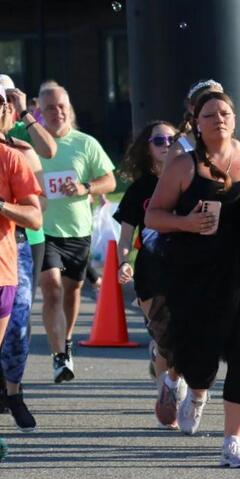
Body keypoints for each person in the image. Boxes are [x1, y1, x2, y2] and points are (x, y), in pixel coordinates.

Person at [145, 91, 240, 467]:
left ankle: (232, 442)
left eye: (224, 113)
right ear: (197, 125)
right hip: (194, 276)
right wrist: (186, 223)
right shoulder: (184, 166)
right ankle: (197, 390)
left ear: (234, 120)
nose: (218, 119)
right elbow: (154, 216)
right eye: (209, 114)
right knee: (200, 358)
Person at [37, 85, 116, 383]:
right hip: (43, 230)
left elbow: (109, 180)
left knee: (72, 291)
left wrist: (86, 188)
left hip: (78, 231)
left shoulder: (85, 143)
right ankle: (59, 356)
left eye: (62, 107)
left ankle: (66, 341)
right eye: (50, 108)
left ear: (69, 108)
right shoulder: (33, 145)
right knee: (52, 289)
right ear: (40, 113)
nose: (57, 112)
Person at [115, 120, 187, 429]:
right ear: (148, 148)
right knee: (165, 336)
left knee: (182, 334)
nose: (166, 144)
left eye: (172, 138)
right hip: (150, 269)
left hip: (185, 266)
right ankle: (165, 394)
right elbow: (126, 236)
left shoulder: (189, 180)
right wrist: (123, 262)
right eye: (159, 140)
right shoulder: (139, 189)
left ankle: (171, 376)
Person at [0, 93, 44, 432]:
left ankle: (13, 392)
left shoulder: (13, 157)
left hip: (6, 264)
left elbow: (34, 216)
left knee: (17, 332)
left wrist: (1, 206)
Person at [0, 76, 56, 158]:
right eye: (0, 100)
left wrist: (23, 112)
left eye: (9, 99)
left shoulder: (24, 130)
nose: (6, 105)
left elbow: (49, 151)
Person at [170, 80, 225, 157]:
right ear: (191, 108)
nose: (213, 105)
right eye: (205, 100)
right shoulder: (180, 148)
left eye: (219, 99)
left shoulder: (235, 145)